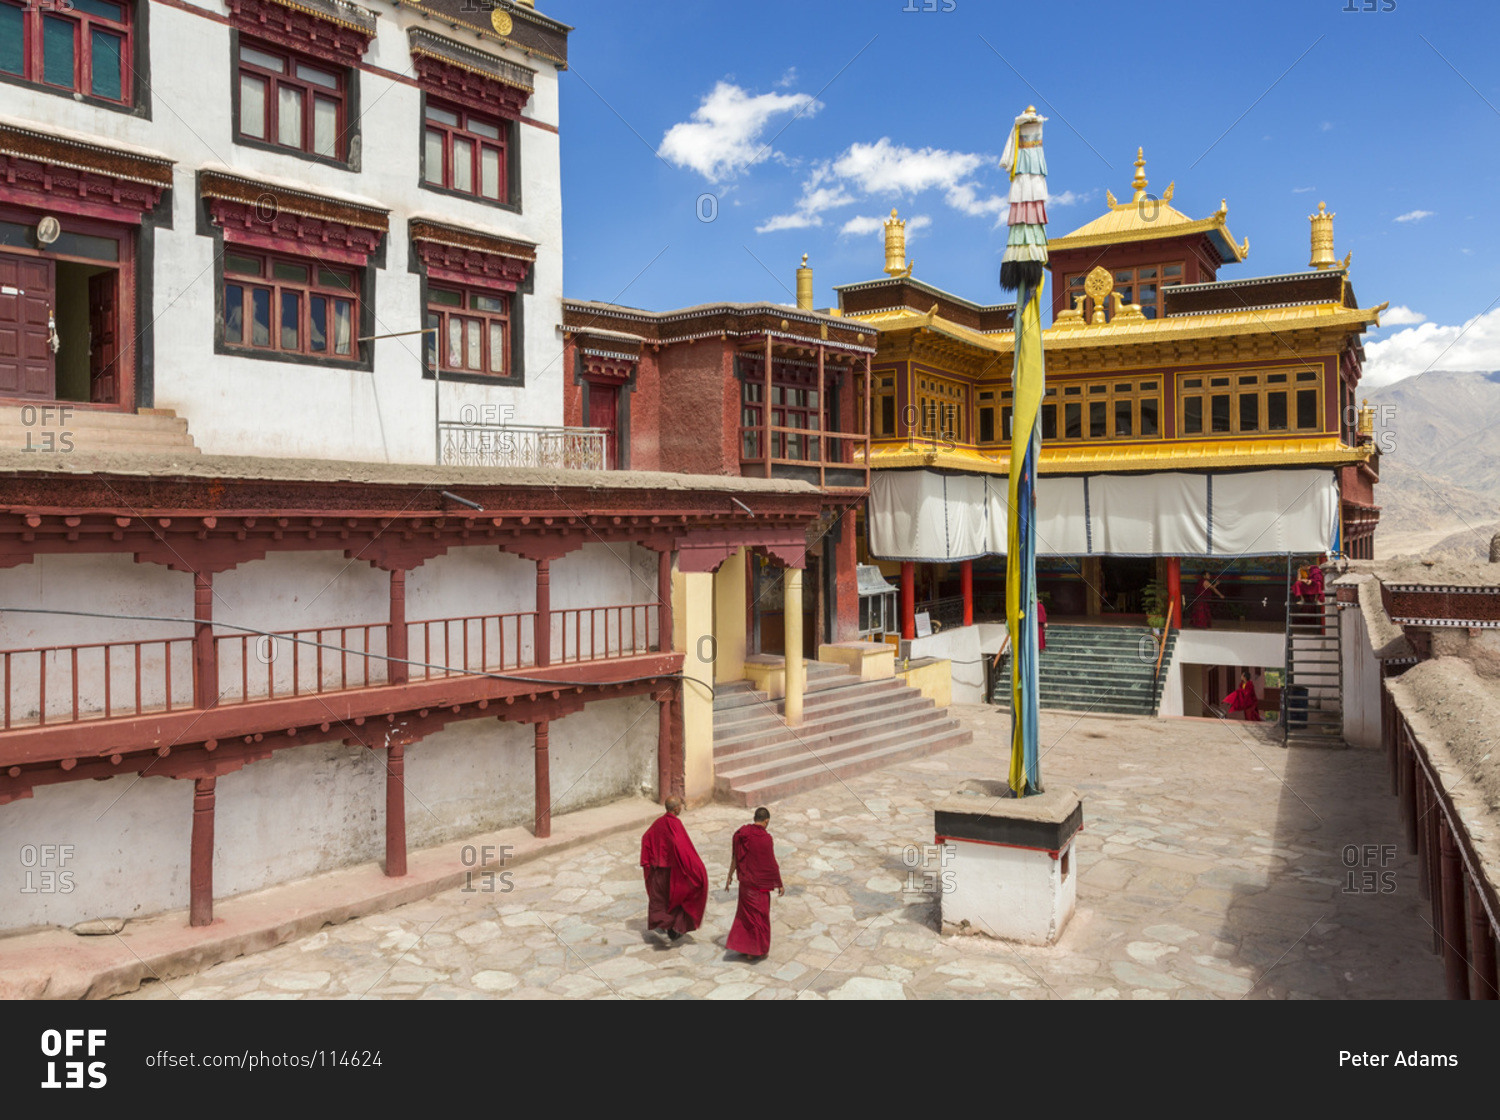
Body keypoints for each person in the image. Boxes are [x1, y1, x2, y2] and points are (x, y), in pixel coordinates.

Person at [639, 795, 707, 943]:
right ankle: (673, 927)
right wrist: (695, 866)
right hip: (672, 871)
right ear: (676, 809)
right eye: (680, 806)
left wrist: (651, 858)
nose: (681, 808)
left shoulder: (658, 822)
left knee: (660, 899)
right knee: (676, 896)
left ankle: (664, 924)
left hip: (658, 869)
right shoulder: (675, 824)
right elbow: (682, 847)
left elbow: (646, 837)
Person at [725, 806, 783, 960]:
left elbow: (735, 857)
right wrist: (779, 883)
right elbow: (771, 863)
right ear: (766, 821)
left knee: (746, 916)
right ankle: (754, 951)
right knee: (759, 917)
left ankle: (744, 947)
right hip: (759, 885)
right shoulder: (766, 838)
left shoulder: (741, 833)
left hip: (746, 883)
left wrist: (730, 875)